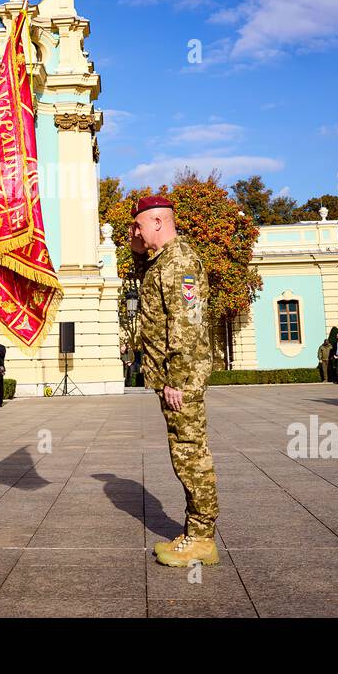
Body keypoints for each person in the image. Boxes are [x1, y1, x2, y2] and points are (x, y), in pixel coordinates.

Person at [131, 195, 218, 567]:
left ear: (157, 222)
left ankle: (202, 539)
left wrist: (177, 379)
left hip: (180, 379)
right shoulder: (162, 261)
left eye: (137, 226)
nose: (133, 233)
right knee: (184, 452)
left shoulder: (181, 262)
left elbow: (186, 325)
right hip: (172, 376)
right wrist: (137, 252)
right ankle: (196, 531)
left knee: (191, 455)